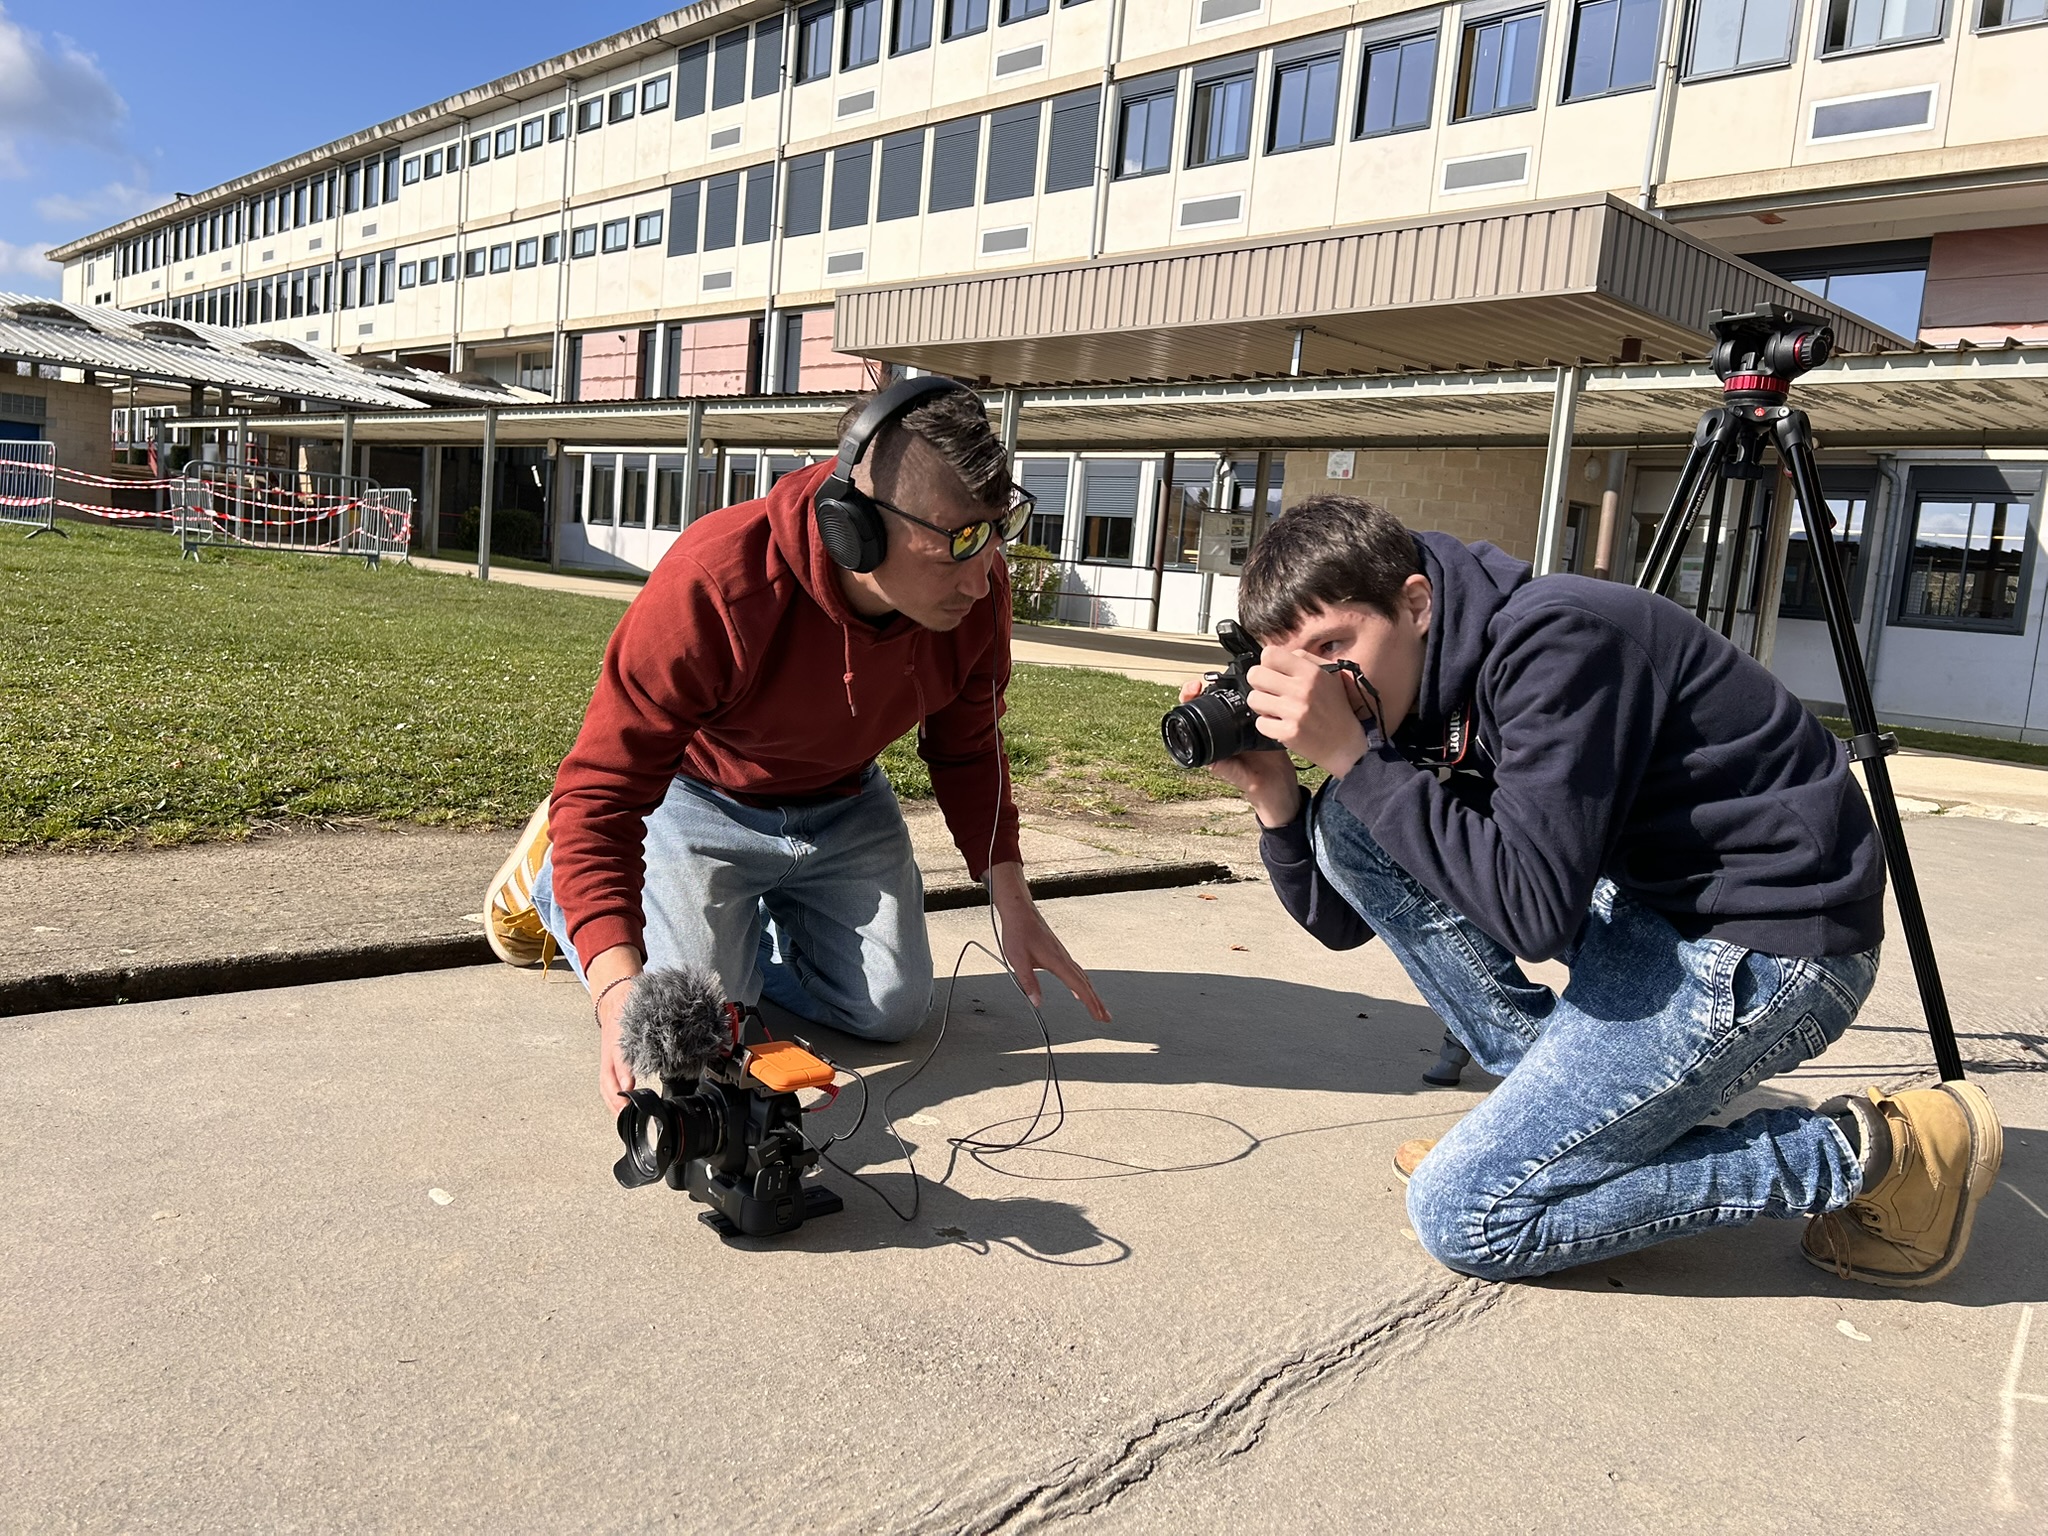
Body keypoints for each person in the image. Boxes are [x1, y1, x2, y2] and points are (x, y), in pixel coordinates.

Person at [1183, 494, 2002, 1287]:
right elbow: (1342, 916)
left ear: (1417, 603)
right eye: (1297, 663)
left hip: (1767, 942)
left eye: (1335, 646)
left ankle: (1884, 1154)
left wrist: (1358, 760)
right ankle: (1554, 1125)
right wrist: (1276, 799)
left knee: (1470, 1213)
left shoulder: (1559, 639)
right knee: (1355, 826)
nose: (1324, 682)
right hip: (1648, 903)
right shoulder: (1418, 690)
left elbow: (1532, 917)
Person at [485, 378, 1110, 1114]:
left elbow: (969, 747)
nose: (984, 575)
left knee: (892, 1013)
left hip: (845, 799)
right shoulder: (715, 582)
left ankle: (740, 943)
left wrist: (1013, 899)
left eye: (996, 529)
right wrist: (618, 985)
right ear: (856, 528)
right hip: (700, 799)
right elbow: (604, 795)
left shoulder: (977, 592)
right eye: (958, 542)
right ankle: (557, 883)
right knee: (699, 1025)